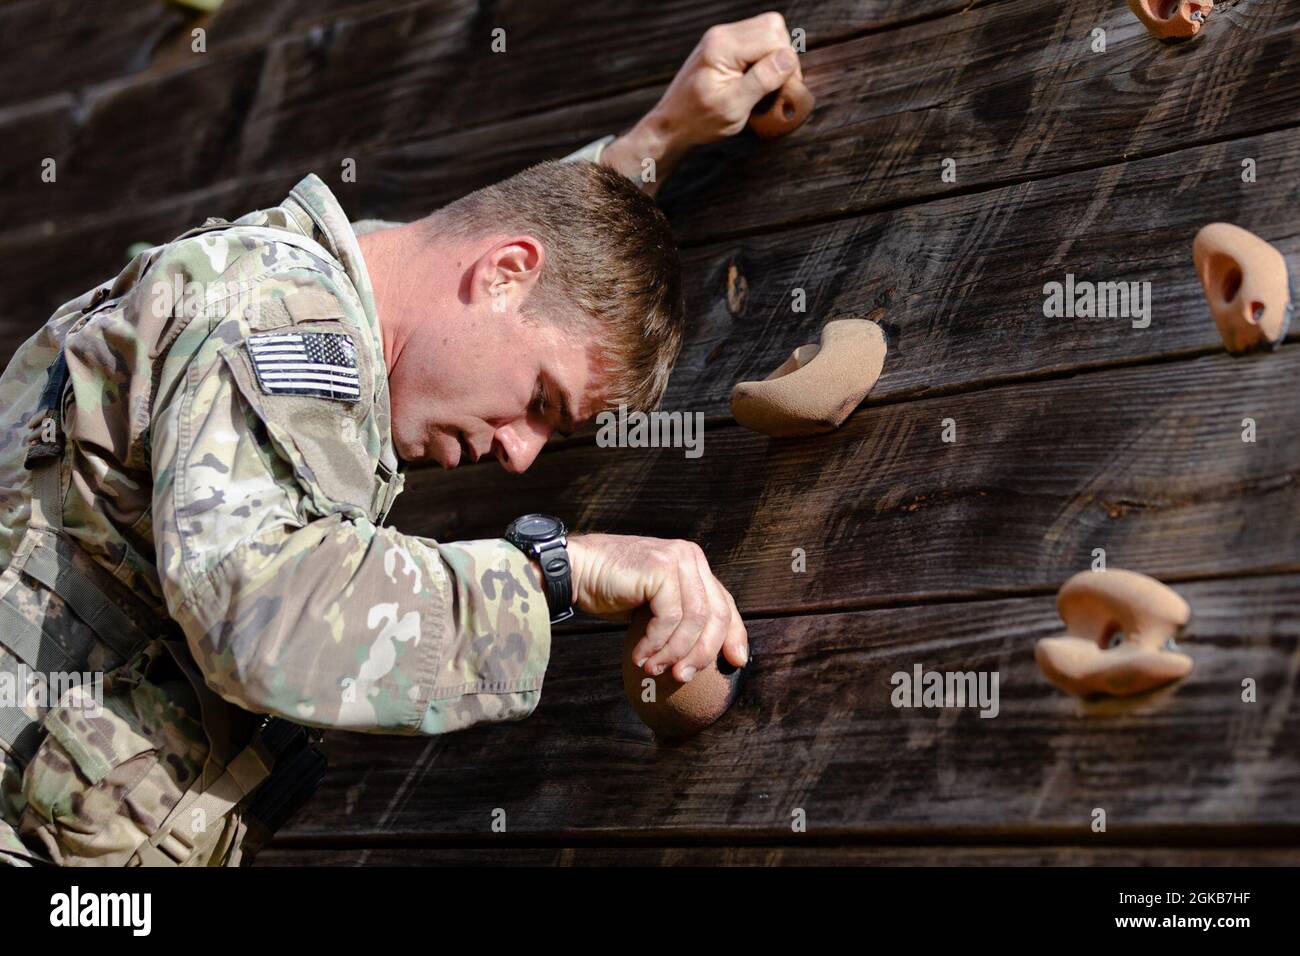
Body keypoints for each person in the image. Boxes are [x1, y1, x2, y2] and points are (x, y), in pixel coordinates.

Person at [0, 13, 803, 866]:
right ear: (502, 274)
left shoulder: (304, 279)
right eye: (539, 401)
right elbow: (262, 613)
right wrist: (562, 572)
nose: (522, 454)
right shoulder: (282, 312)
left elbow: (488, 242)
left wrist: (662, 140)